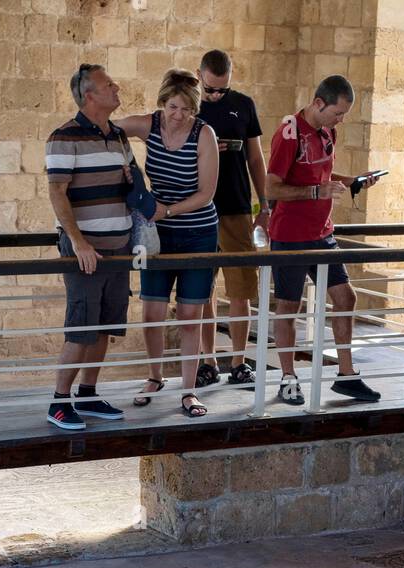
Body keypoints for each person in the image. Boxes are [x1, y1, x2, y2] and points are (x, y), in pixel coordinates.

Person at [265, 75, 381, 406]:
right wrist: (317, 191)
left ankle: (346, 376)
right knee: (289, 306)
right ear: (318, 103)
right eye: (337, 114)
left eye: (343, 115)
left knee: (346, 298)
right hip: (290, 235)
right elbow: (271, 186)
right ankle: (288, 378)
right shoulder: (289, 132)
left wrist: (354, 180)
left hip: (322, 232)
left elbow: (323, 175)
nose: (340, 121)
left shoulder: (327, 130)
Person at [117, 70, 219, 418]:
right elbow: (109, 129)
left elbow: (207, 193)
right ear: (162, 104)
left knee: (190, 314)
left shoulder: (204, 134)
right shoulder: (149, 125)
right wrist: (125, 167)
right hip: (155, 233)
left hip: (197, 231)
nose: (179, 116)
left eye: (187, 109)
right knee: (152, 311)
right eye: (174, 107)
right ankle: (155, 377)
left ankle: (189, 391)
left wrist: (168, 210)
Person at [44, 64, 136, 431]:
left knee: (105, 326)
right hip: (85, 249)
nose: (117, 87)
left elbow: (128, 182)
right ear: (89, 95)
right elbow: (57, 192)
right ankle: (58, 402)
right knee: (81, 326)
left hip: (119, 247)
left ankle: (88, 393)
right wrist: (79, 243)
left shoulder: (118, 135)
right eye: (108, 84)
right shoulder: (63, 137)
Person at [195, 49, 269, 388]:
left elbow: (256, 158)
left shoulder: (245, 104)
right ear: (199, 76)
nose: (215, 96)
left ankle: (239, 361)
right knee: (201, 291)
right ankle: (207, 361)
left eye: (222, 90)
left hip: (238, 206)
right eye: (210, 89)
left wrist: (264, 204)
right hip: (198, 210)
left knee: (240, 290)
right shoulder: (188, 107)